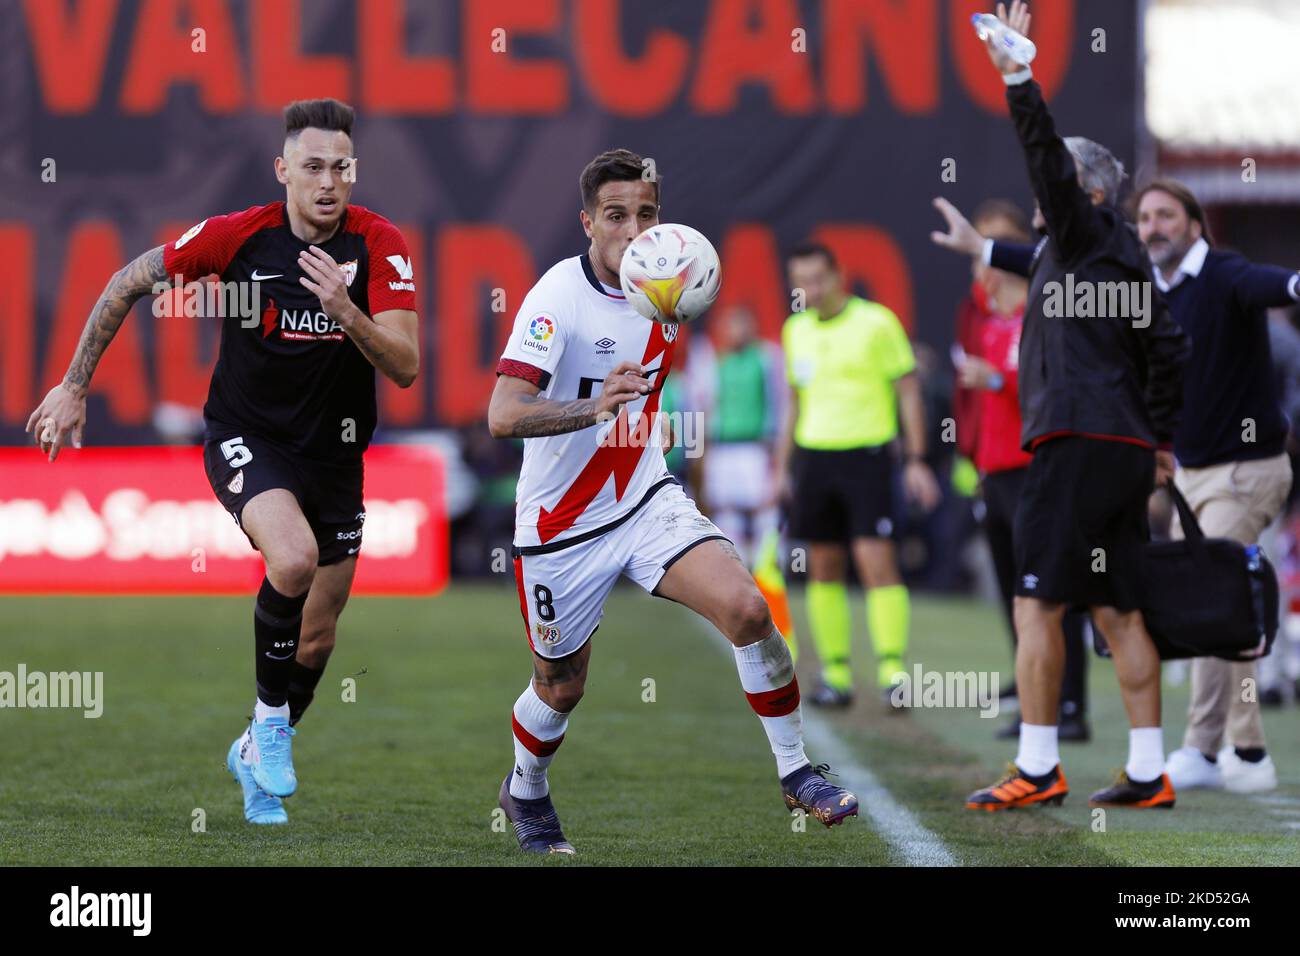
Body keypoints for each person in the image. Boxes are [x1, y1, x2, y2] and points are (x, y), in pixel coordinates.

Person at [25, 99, 421, 825]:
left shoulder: (379, 246)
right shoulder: (239, 237)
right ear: (284, 171)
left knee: (321, 632)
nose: (328, 182)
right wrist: (74, 384)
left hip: (335, 456)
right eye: (312, 167)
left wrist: (348, 312)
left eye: (340, 167)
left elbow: (405, 367)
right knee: (293, 560)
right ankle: (270, 725)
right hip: (248, 437)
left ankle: (253, 748)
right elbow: (129, 281)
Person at [487, 149, 857, 854]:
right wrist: (594, 407)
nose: (635, 230)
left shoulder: (671, 283)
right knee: (561, 689)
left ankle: (796, 771)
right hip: (560, 524)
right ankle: (526, 787)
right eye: (617, 216)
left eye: (647, 213)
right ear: (588, 223)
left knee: (749, 609)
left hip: (643, 497)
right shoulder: (555, 298)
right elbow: (503, 415)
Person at [931, 2, 1189, 810]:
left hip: (1072, 442)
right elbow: (1168, 353)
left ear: (1088, 193)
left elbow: (1047, 169)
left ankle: (1038, 765)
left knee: (1037, 601)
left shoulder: (1079, 232)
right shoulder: (1123, 262)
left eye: (1054, 198)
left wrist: (1019, 75)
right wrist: (1159, 442)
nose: (1040, 205)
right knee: (1117, 612)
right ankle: (1149, 771)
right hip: (1119, 450)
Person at [1134, 178, 1300, 793]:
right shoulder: (1151, 289)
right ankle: (1233, 752)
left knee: (1214, 600)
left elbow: (1268, 282)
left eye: (1166, 215)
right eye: (1145, 216)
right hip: (1191, 474)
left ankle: (1232, 749)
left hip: (1246, 471)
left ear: (1195, 224)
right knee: (1203, 605)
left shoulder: (1224, 272)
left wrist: (1296, 283)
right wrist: (989, 250)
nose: (1153, 226)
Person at [939, 199, 1092, 741]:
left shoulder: (1044, 309)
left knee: (1049, 592)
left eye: (998, 246)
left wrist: (1000, 383)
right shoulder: (981, 316)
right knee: (1015, 591)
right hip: (995, 469)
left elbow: (1053, 389)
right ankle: (1037, 696)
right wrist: (974, 456)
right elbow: (971, 395)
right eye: (982, 247)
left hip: (1036, 469)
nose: (986, 261)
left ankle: (1068, 703)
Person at [775, 243, 941, 710]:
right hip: (814, 459)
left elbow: (908, 392)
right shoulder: (795, 330)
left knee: (876, 562)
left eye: (816, 278)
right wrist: (782, 468)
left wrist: (915, 458)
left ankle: (893, 673)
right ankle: (837, 675)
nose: (808, 288)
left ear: (838, 275)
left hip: (867, 457)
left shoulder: (877, 323)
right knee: (823, 566)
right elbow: (794, 403)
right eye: (800, 280)